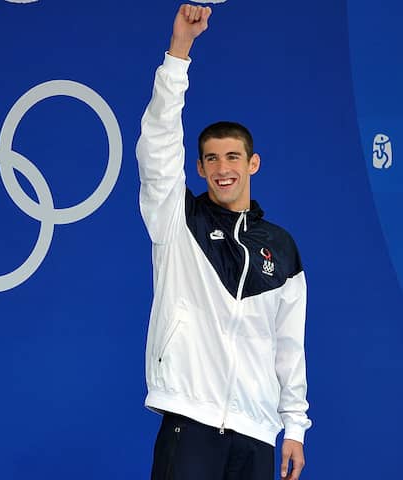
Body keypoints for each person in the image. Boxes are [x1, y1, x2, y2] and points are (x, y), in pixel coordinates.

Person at [136, 5, 311, 480]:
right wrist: (180, 52)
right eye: (211, 159)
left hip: (257, 431)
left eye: (233, 156)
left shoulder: (282, 247)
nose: (222, 168)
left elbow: (288, 346)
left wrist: (293, 425)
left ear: (253, 164)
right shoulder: (176, 220)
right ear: (198, 168)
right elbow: (158, 143)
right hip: (190, 421)